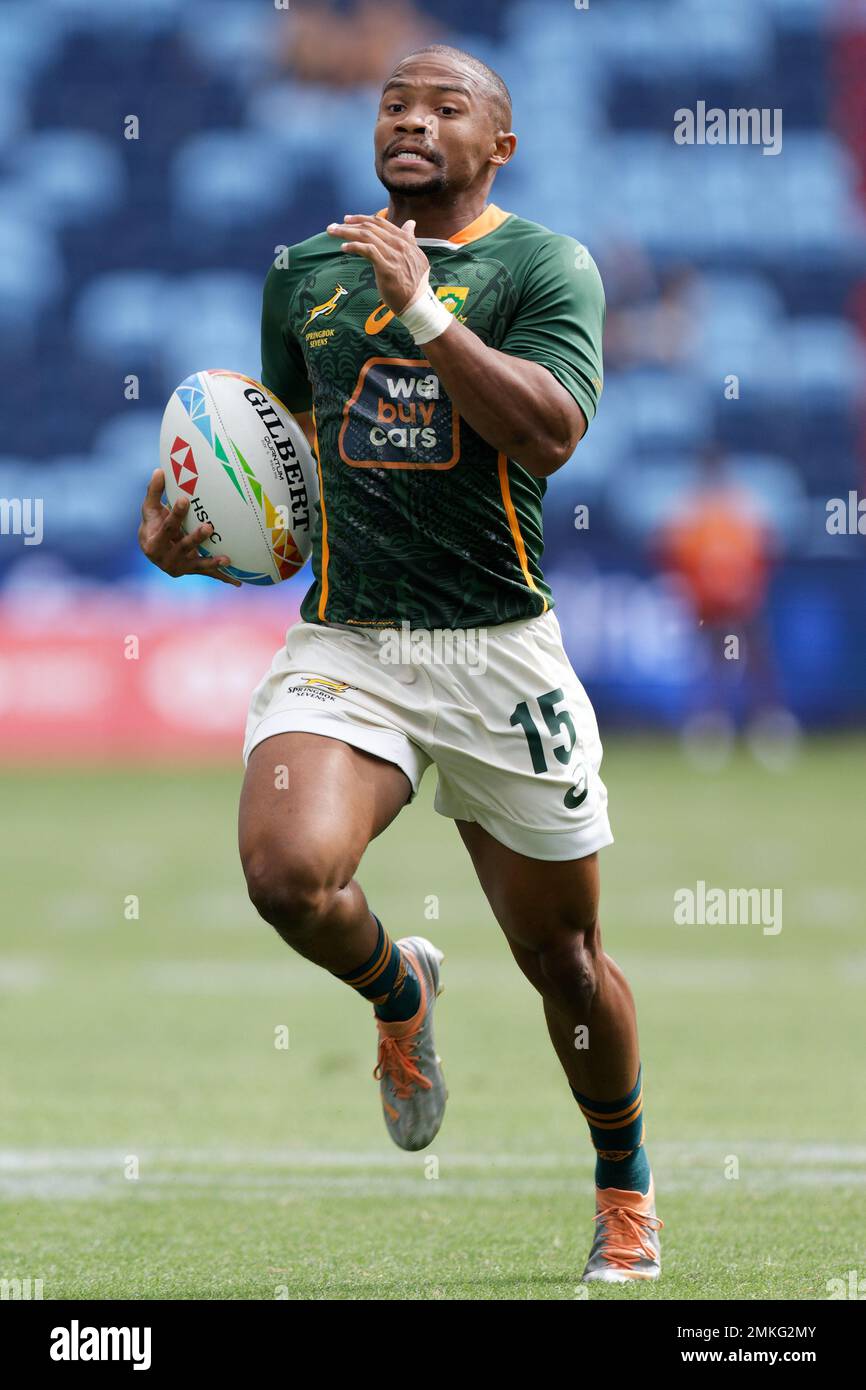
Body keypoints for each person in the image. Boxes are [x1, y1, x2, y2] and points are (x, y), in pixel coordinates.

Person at [138, 44, 662, 1284]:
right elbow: (287, 472)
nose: (412, 121)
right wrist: (198, 534)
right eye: (393, 105)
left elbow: (548, 434)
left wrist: (424, 306)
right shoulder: (306, 272)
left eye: (446, 107)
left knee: (564, 962)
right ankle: (397, 994)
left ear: (502, 144)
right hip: (350, 643)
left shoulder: (544, 268)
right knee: (286, 875)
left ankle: (623, 1190)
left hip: (497, 655)